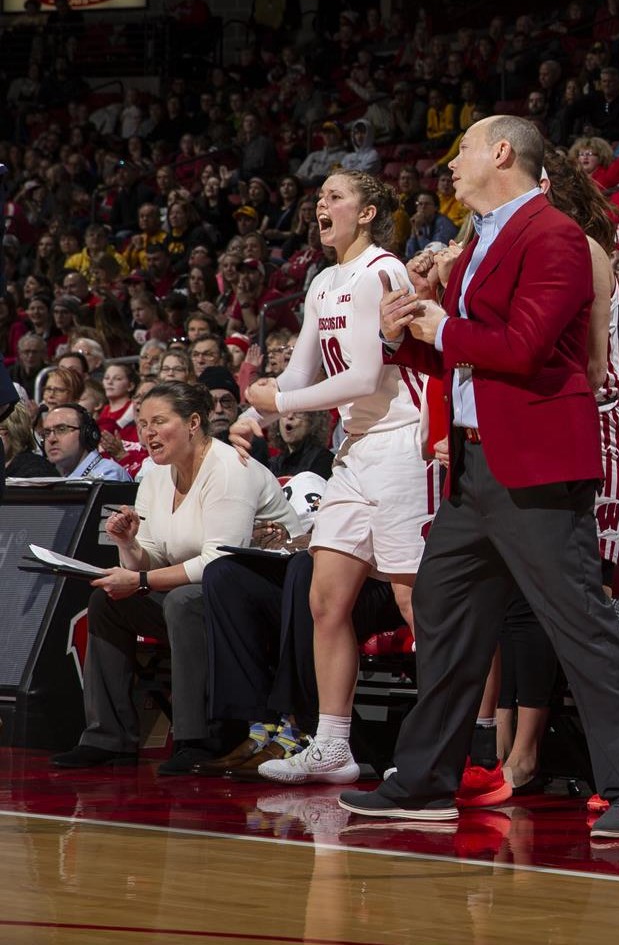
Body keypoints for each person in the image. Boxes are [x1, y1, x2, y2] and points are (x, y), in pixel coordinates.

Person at [361, 114, 619, 838]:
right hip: (474, 463)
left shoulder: (553, 233)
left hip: (534, 462)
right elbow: (461, 359)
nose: (451, 167)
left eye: (462, 152)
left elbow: (527, 347)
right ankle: (425, 779)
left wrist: (443, 329)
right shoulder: (476, 246)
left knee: (580, 626)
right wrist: (402, 335)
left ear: (502, 153)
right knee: (442, 610)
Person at [221, 170, 434, 788]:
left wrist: (284, 405)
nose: (321, 204)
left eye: (335, 196)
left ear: (367, 213)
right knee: (324, 597)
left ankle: (443, 743)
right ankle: (333, 745)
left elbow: (365, 375)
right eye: (318, 197)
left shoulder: (384, 271)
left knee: (412, 601)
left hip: (403, 442)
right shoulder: (323, 281)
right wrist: (253, 409)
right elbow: (301, 373)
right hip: (355, 448)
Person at [52, 381, 306, 773]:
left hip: (264, 599)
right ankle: (109, 737)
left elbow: (219, 563)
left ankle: (197, 739)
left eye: (159, 422)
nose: (148, 433)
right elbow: (148, 560)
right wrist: (127, 543)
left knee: (184, 601)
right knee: (107, 602)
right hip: (194, 594)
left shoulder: (229, 468)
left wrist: (139, 582)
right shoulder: (154, 474)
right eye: (142, 423)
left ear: (193, 422)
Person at [38, 404, 131, 480]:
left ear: (85, 434)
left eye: (62, 429)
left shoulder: (108, 474)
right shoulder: (49, 476)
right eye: (47, 432)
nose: (51, 439)